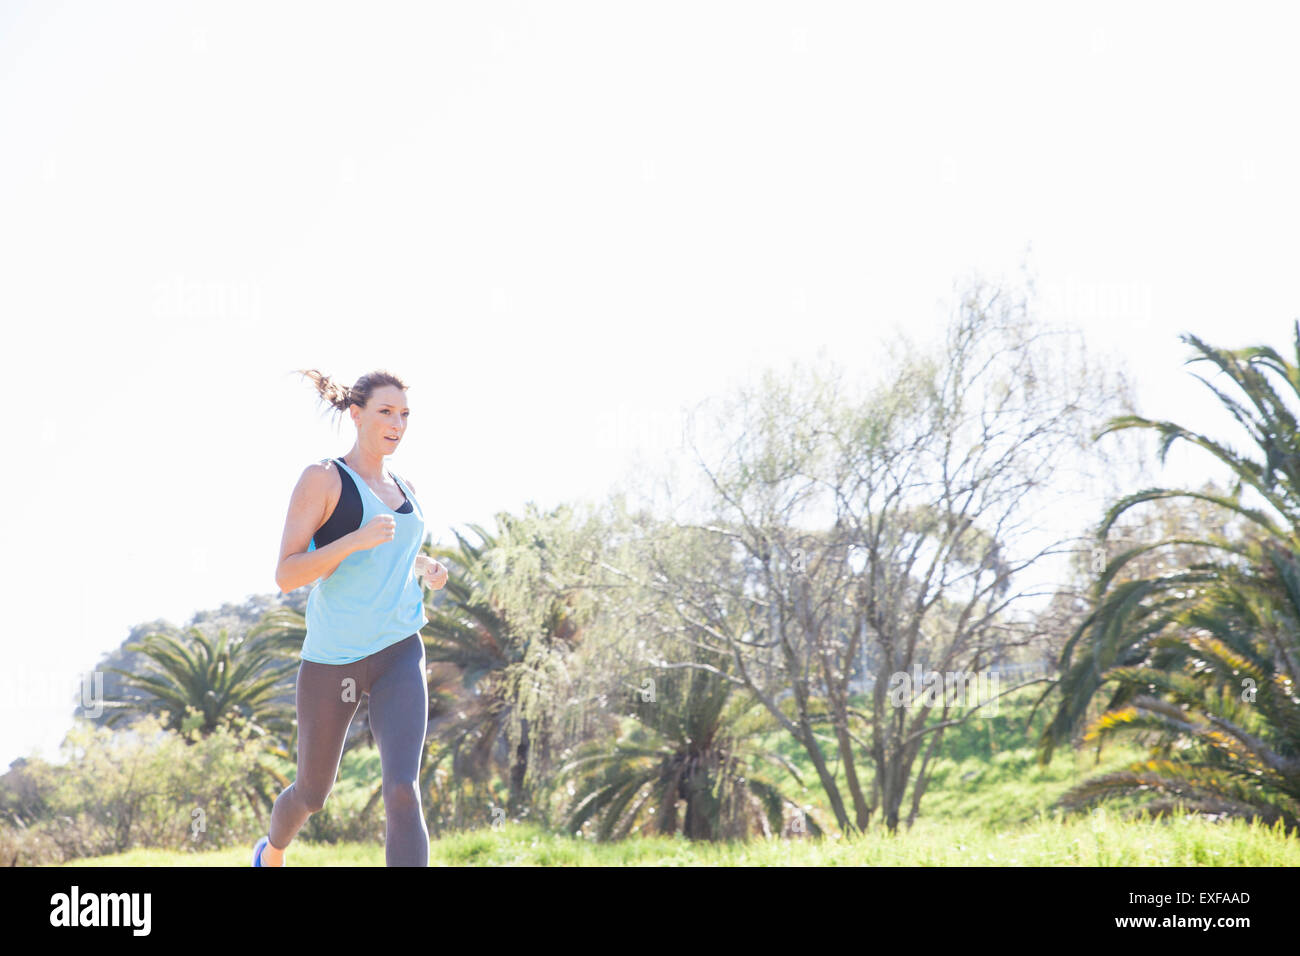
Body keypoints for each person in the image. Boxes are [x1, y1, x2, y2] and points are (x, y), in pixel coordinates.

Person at [253, 368, 447, 867]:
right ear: (356, 415)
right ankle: (271, 851)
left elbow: (396, 552)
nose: (397, 424)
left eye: (405, 415)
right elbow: (287, 574)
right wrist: (354, 540)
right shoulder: (323, 479)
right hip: (333, 658)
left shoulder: (406, 486)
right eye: (386, 412)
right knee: (312, 794)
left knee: (402, 787)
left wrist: (425, 567)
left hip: (399, 650)